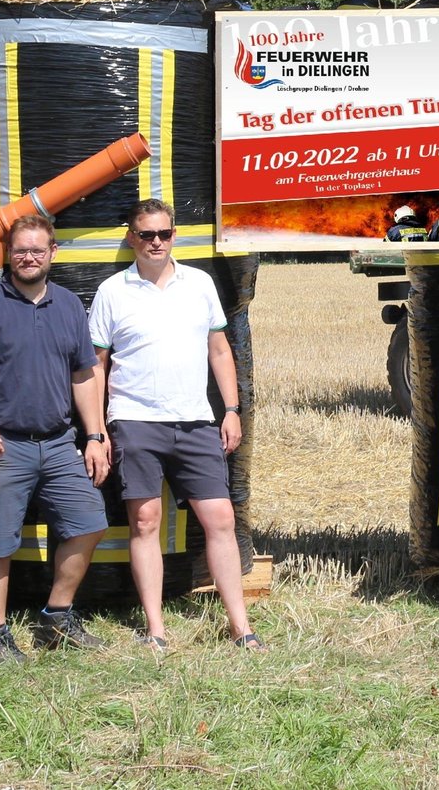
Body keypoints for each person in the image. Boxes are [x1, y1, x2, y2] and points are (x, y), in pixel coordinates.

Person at [90, 199, 262, 651]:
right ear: (131, 237)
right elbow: (96, 364)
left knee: (220, 518)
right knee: (145, 521)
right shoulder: (112, 291)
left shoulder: (200, 284)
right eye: (146, 234)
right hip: (135, 420)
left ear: (174, 235)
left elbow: (220, 350)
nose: (155, 243)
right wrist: (97, 429)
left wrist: (231, 409)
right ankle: (155, 629)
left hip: (195, 421)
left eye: (163, 234)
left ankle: (241, 628)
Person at [0, 214, 110, 663]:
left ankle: (57, 617)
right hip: (1, 443)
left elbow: (83, 374)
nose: (30, 257)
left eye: (38, 250)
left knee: (89, 523)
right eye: (21, 250)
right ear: (9, 254)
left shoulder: (70, 305)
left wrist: (94, 434)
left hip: (59, 441)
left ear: (53, 253)